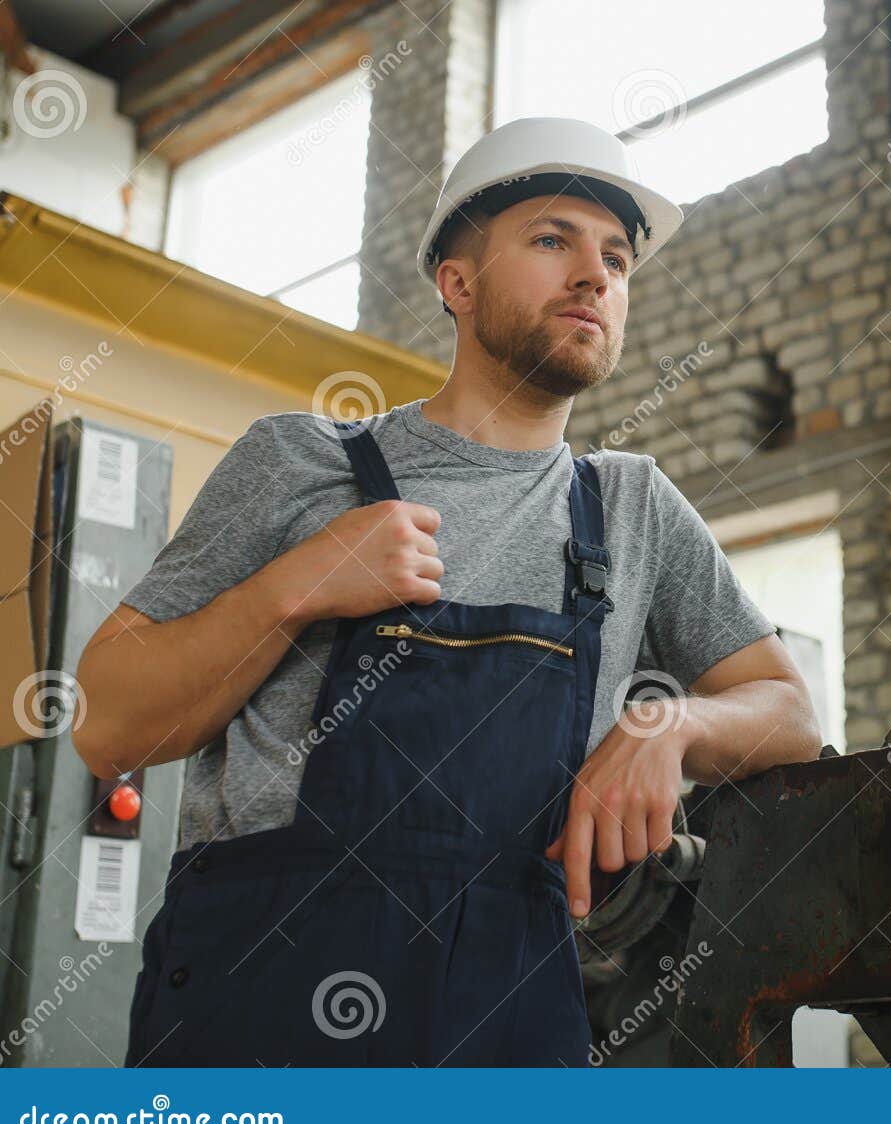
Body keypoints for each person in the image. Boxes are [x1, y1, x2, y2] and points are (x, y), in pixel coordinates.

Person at [73, 117, 822, 1066]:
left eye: (618, 260)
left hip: (508, 1010)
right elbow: (108, 725)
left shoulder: (632, 508)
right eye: (553, 241)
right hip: (262, 999)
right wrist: (297, 586)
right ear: (456, 284)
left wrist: (670, 726)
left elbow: (790, 711)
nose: (595, 276)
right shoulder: (298, 462)